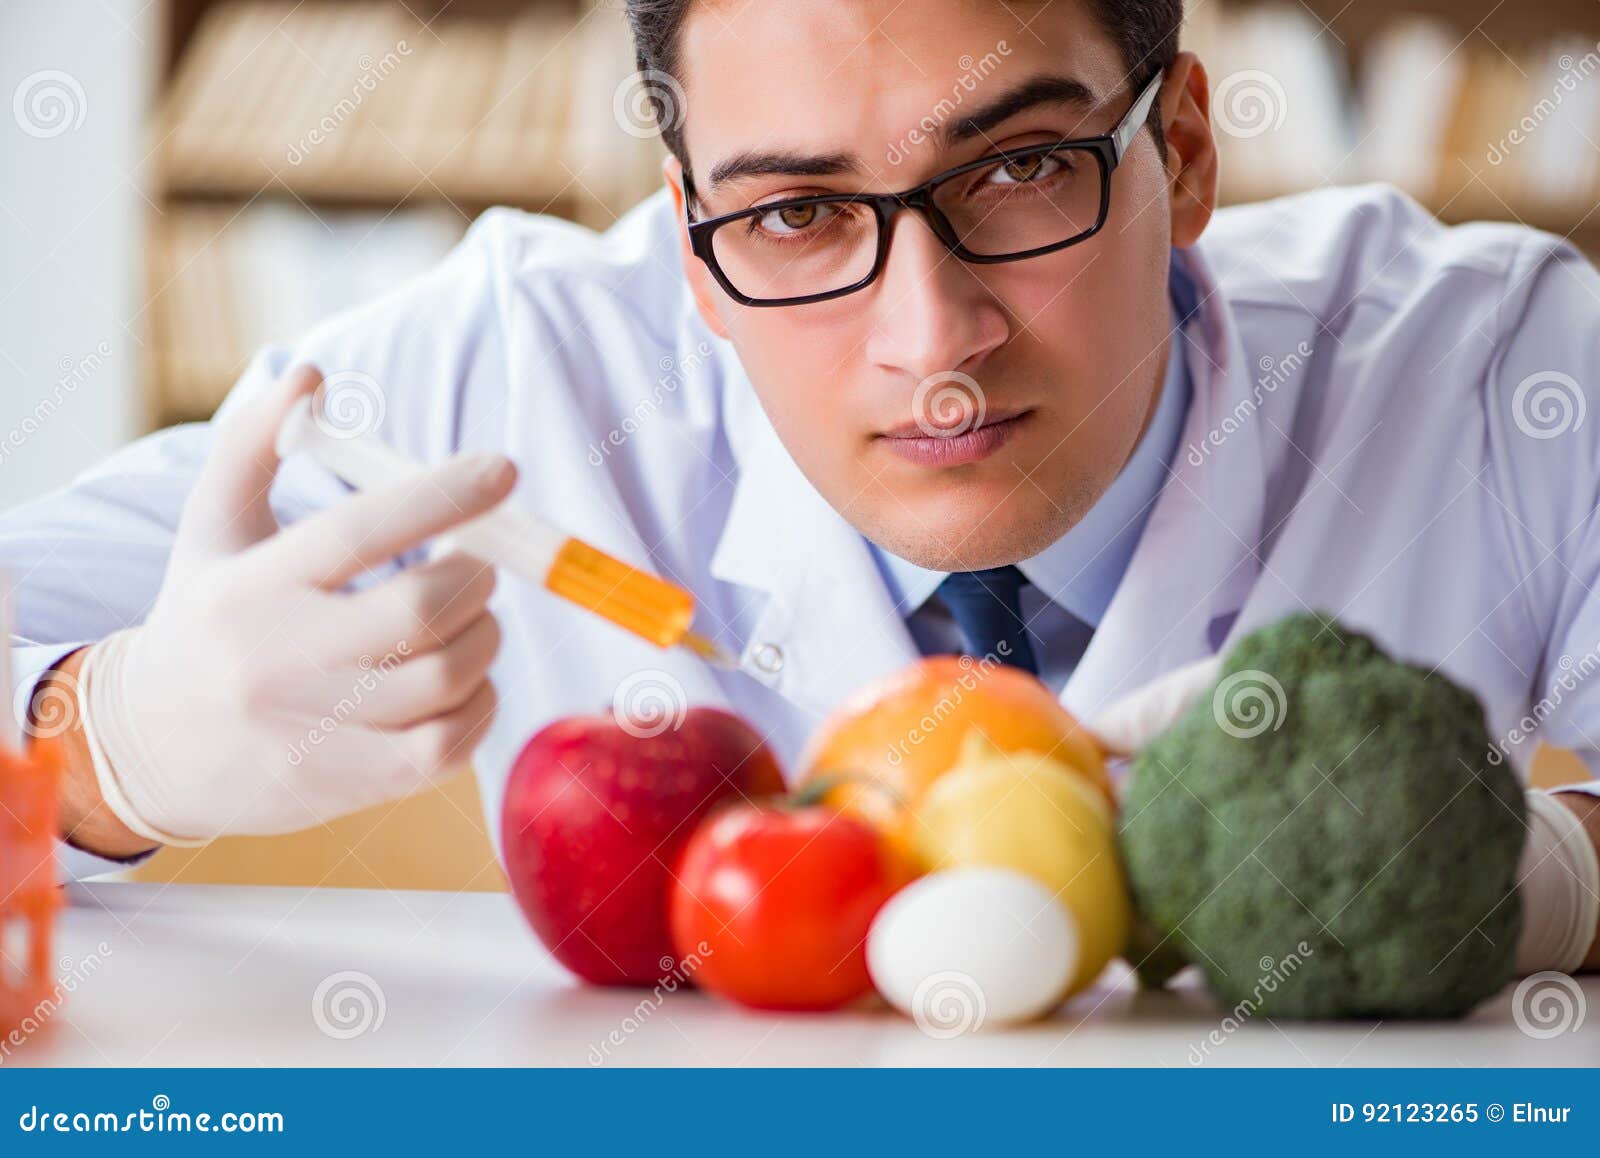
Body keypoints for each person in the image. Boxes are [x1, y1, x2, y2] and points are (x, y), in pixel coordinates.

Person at [3, 0, 1596, 974]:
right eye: (791, 218)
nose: (932, 338)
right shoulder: (510, 377)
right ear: (690, 237)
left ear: (1180, 148)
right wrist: (103, 749)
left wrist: (1551, 880)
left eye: (1019, 167)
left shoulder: (1495, 365)